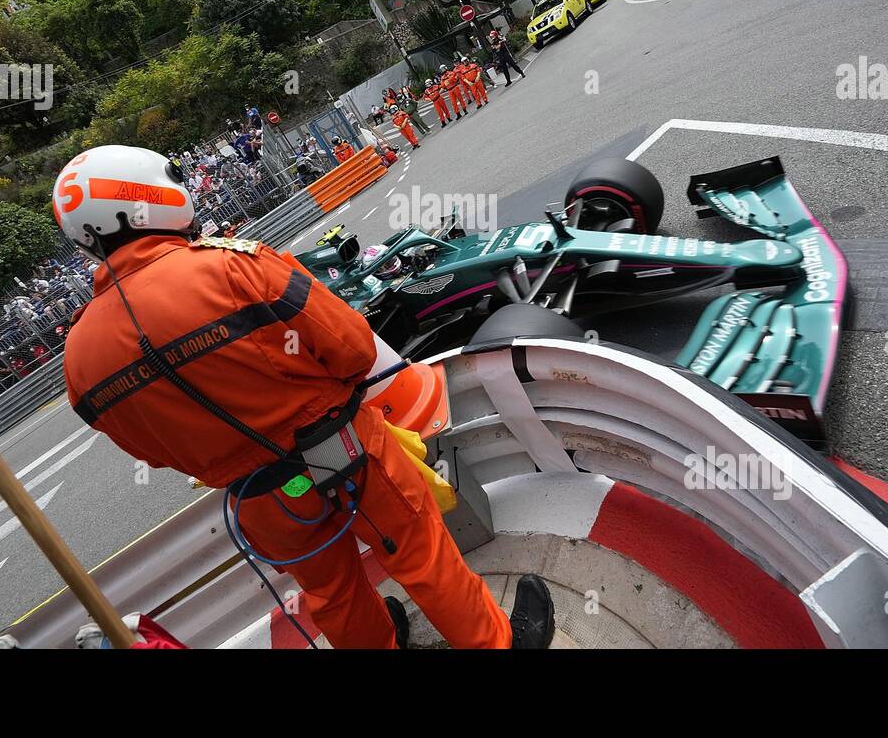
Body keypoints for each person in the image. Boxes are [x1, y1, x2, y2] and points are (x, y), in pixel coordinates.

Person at [53, 145, 554, 649]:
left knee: (331, 592)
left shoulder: (79, 356)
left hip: (261, 497)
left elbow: (153, 453)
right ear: (151, 196)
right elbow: (355, 350)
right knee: (420, 554)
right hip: (346, 451)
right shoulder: (233, 266)